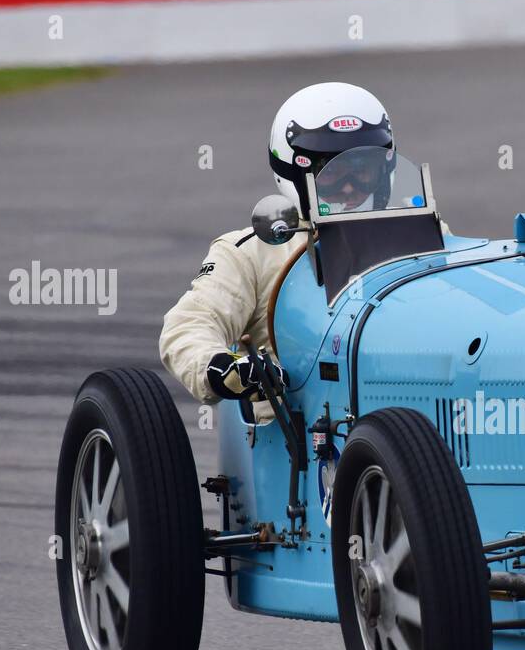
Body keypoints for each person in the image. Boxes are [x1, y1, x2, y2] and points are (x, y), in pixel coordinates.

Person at [159, 81, 395, 406]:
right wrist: (226, 368)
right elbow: (188, 325)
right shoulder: (250, 252)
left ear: (384, 169)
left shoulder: (422, 236)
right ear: (292, 171)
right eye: (330, 173)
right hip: (298, 423)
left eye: (362, 170)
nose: (349, 188)